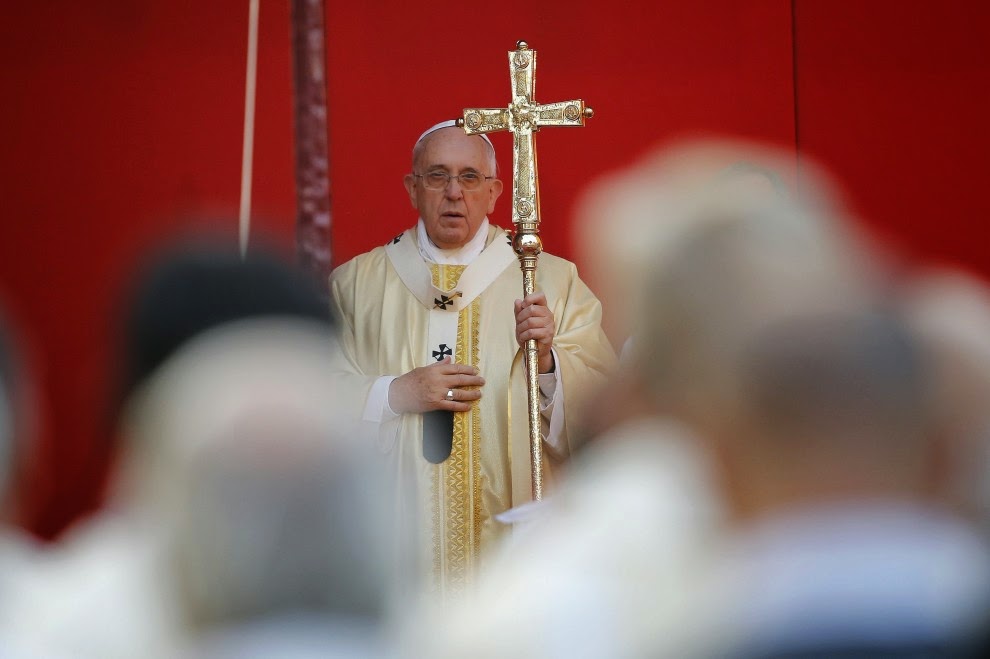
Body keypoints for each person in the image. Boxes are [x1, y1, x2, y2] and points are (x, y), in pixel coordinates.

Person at [328, 121, 615, 596]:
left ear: (495, 192)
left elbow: (608, 412)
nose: (454, 193)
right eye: (437, 176)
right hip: (396, 546)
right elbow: (312, 400)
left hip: (513, 553)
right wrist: (395, 393)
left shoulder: (551, 283)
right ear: (412, 188)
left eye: (469, 177)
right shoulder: (356, 286)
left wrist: (548, 362)